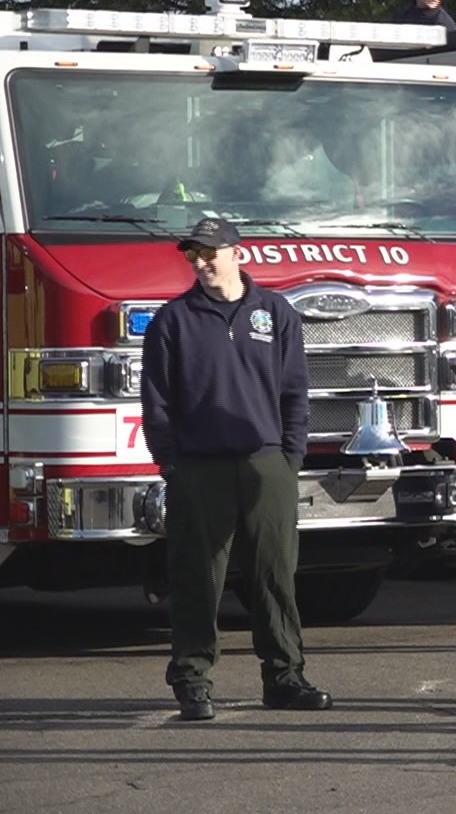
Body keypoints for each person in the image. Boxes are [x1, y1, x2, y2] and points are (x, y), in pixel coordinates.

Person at [140, 216, 330, 722]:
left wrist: (290, 457)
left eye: (210, 252)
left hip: (266, 462)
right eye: (193, 255)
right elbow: (156, 403)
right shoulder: (172, 321)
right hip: (198, 468)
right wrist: (172, 464)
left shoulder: (275, 312)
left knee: (275, 574)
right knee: (198, 577)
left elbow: (294, 390)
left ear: (236, 253)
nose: (201, 262)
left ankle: (285, 677)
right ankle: (192, 680)